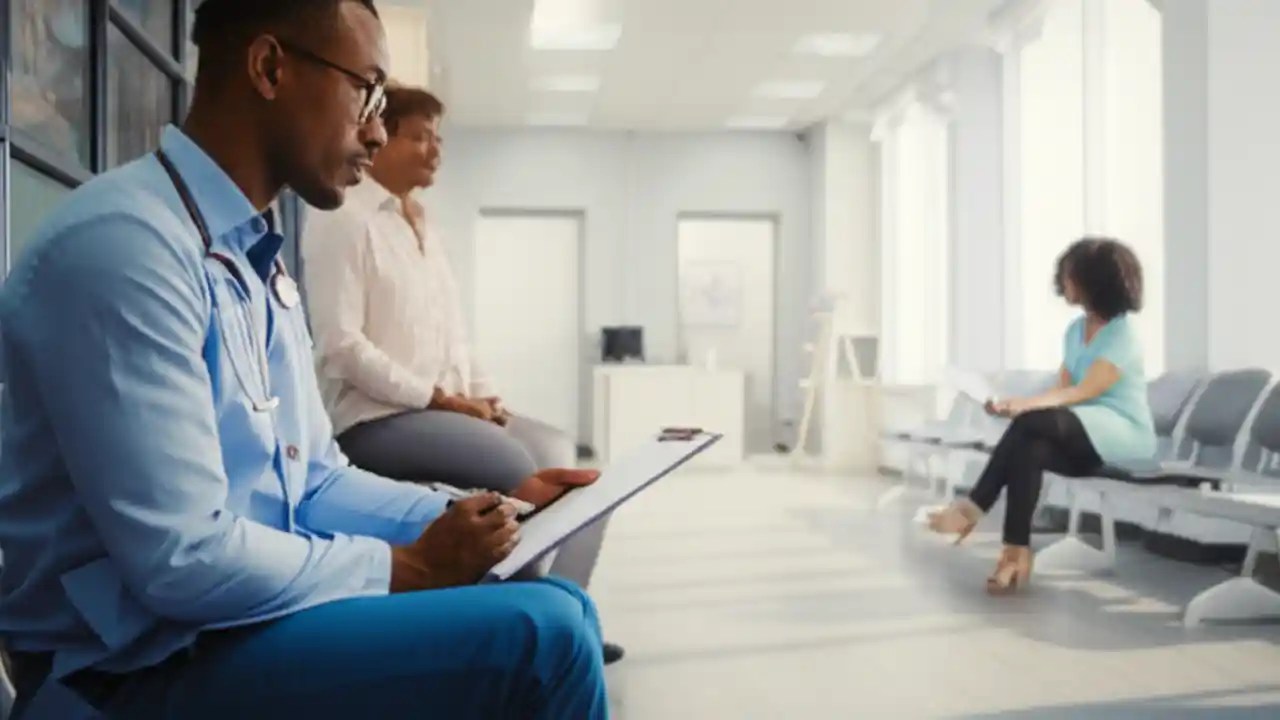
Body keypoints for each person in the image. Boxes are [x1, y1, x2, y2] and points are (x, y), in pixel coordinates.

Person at [0, 1, 607, 717]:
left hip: (215, 625)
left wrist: (485, 511)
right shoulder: (128, 249)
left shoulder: (251, 258)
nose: (377, 131)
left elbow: (313, 482)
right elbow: (183, 560)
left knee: (561, 602)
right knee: (548, 636)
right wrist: (407, 567)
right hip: (133, 665)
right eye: (367, 91)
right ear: (269, 68)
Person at [301, 86, 623, 662]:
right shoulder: (344, 219)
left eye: (438, 138)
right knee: (517, 469)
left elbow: (455, 333)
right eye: (419, 136)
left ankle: (570, 624)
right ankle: (515, 637)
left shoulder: (423, 225)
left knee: (570, 467)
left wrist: (482, 395)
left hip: (441, 408)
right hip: (377, 417)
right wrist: (443, 400)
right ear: (380, 138)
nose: (434, 150)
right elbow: (341, 346)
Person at [927, 237, 1156, 594]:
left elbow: (1083, 392)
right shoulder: (1074, 332)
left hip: (1122, 433)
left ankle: (971, 510)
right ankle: (1014, 553)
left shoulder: (1122, 334)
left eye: (1069, 275)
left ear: (1093, 281)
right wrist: (1012, 407)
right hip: (1082, 432)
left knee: (1030, 423)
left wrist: (1024, 406)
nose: (1063, 283)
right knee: (1027, 449)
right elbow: (1063, 390)